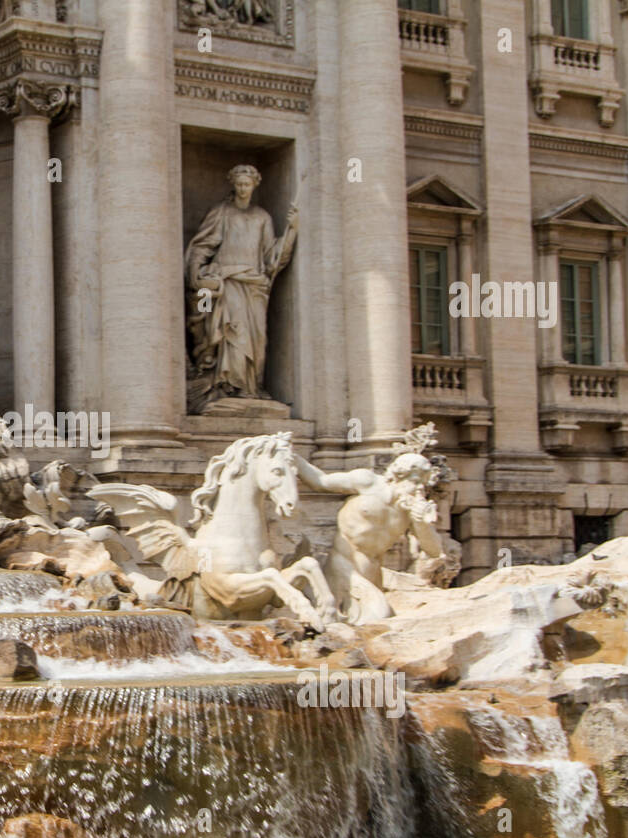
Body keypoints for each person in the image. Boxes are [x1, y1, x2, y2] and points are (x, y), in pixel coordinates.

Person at [185, 164, 296, 411]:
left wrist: (292, 230)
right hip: (226, 282)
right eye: (239, 184)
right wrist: (196, 274)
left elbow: (272, 258)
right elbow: (202, 245)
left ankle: (250, 387)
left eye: (247, 184)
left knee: (257, 339)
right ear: (233, 185)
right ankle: (226, 385)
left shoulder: (262, 217)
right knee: (232, 335)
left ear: (255, 186)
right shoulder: (221, 212)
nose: (243, 189)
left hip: (254, 285)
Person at [294, 451, 444, 623]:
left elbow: (435, 551)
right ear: (398, 475)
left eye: (422, 485)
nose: (418, 489)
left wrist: (421, 524)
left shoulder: (409, 512)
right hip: (343, 565)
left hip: (373, 574)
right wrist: (294, 458)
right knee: (379, 615)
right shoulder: (368, 482)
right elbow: (321, 481)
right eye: (415, 481)